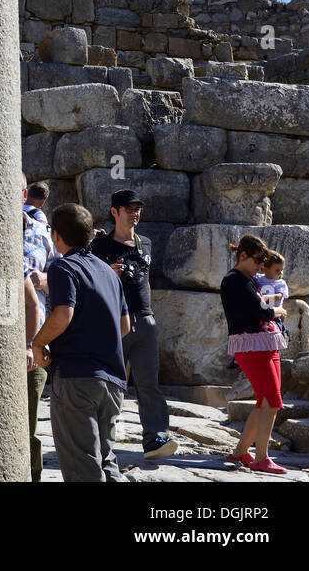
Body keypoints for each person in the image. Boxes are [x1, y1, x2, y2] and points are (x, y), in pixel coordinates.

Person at [32, 203, 131, 483]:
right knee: (106, 461)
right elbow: (124, 326)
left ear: (56, 236)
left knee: (82, 467)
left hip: (77, 378)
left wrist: (39, 344)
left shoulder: (63, 267)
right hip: (113, 381)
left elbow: (63, 314)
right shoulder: (109, 274)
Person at [89, 189, 178, 461]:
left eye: (138, 208)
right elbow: (89, 282)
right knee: (109, 383)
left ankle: (155, 439)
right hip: (113, 319)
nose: (135, 212)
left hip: (144, 319)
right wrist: (108, 274)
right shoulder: (99, 246)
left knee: (149, 383)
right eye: (128, 208)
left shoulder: (146, 243)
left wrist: (150, 315)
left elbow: (145, 282)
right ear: (114, 212)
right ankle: (100, 440)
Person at [221, 235, 288, 474]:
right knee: (271, 401)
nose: (261, 266)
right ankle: (262, 457)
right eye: (258, 260)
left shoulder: (247, 280)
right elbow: (260, 310)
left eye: (263, 261)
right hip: (252, 346)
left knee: (266, 401)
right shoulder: (234, 280)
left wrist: (269, 304)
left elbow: (254, 304)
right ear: (243, 256)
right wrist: (277, 309)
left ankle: (240, 452)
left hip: (265, 344)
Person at [21, 173, 56, 481]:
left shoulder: (41, 230)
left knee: (27, 426)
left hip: (33, 341)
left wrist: (46, 280)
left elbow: (60, 269)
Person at [255, 250, 290, 345]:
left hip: (275, 314)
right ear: (265, 269)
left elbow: (279, 296)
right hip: (261, 313)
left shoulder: (280, 283)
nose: (280, 273)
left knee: (277, 333)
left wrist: (265, 297)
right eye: (277, 270)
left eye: (282, 269)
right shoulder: (258, 278)